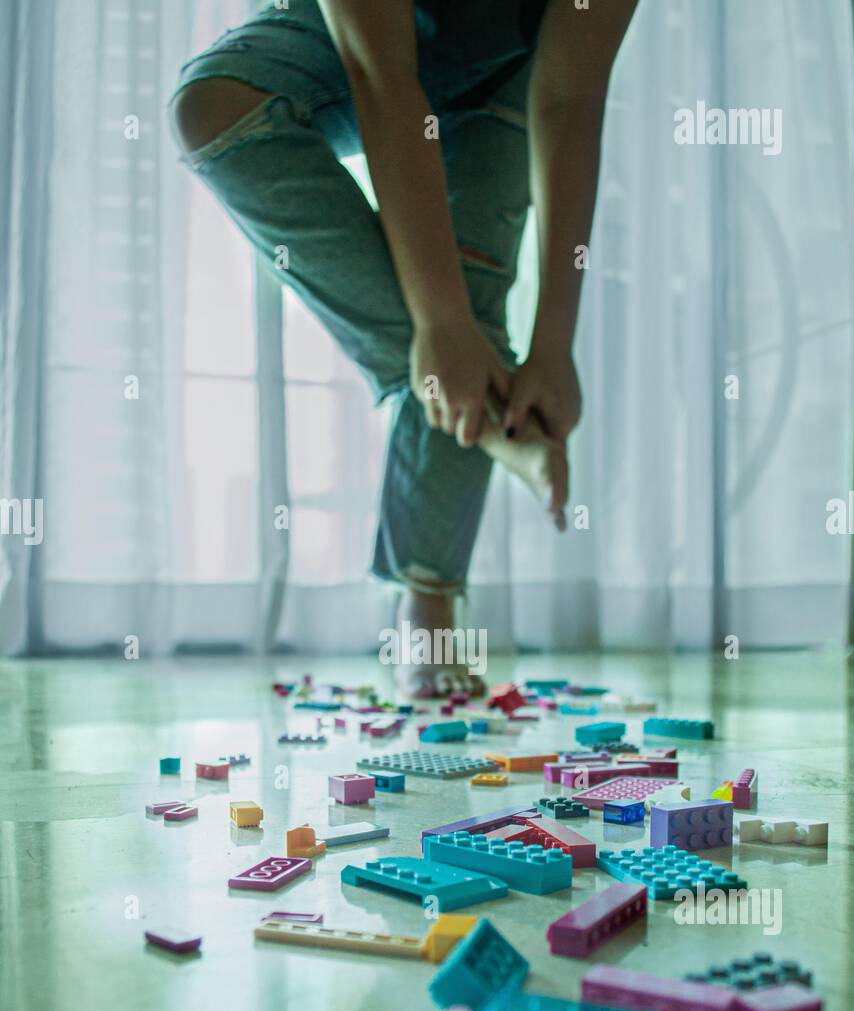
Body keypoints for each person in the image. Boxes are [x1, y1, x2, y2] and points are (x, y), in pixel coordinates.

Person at [170, 0, 638, 694]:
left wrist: (553, 342)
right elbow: (381, 74)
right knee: (214, 109)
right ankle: (494, 430)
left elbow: (570, 99)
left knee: (465, 280)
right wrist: (438, 323)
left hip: (505, 71)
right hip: (354, 40)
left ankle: (429, 600)